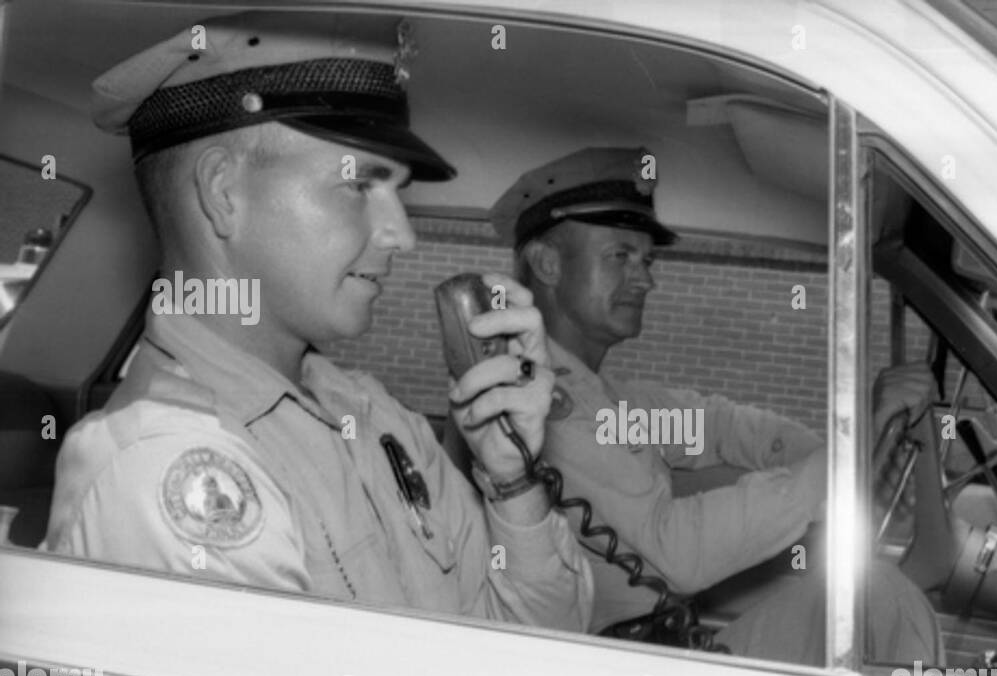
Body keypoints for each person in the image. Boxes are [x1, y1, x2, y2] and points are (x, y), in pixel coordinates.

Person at [42, 12, 592, 633]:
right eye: (360, 185)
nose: (402, 234)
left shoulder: (376, 417)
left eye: (400, 194)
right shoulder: (164, 470)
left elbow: (540, 648)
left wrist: (512, 478)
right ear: (223, 193)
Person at [485, 146, 940, 663]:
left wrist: (845, 448)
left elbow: (718, 426)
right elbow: (676, 553)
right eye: (620, 256)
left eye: (648, 259)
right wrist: (841, 459)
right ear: (547, 262)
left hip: (660, 649)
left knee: (872, 596)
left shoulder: (606, 402)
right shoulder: (541, 410)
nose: (646, 278)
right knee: (877, 600)